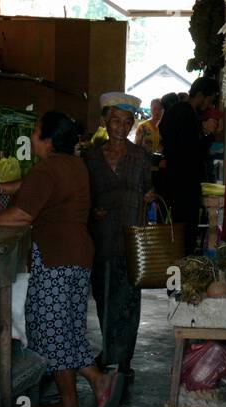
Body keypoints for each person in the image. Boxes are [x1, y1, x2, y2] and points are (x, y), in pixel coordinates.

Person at [0, 111, 125, 407]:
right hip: (78, 256)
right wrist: (6, 187)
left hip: (56, 259)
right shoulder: (74, 164)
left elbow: (22, 215)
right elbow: (38, 185)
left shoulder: (46, 169)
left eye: (35, 132)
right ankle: (73, 400)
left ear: (47, 139)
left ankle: (93, 383)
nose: (31, 137)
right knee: (67, 329)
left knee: (49, 330)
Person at [84, 93, 153, 385]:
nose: (121, 127)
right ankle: (109, 349)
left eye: (127, 122)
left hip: (131, 236)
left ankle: (123, 358)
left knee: (129, 298)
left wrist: (148, 200)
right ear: (104, 122)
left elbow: (150, 191)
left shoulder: (141, 157)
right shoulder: (90, 157)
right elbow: (83, 194)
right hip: (101, 236)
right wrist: (92, 211)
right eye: (115, 121)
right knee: (103, 294)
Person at [158, 77, 220, 253]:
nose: (209, 104)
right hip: (184, 182)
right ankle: (183, 268)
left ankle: (178, 263)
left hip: (175, 178)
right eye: (210, 99)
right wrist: (209, 135)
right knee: (186, 230)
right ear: (200, 95)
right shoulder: (185, 113)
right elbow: (192, 151)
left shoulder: (176, 111)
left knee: (179, 227)